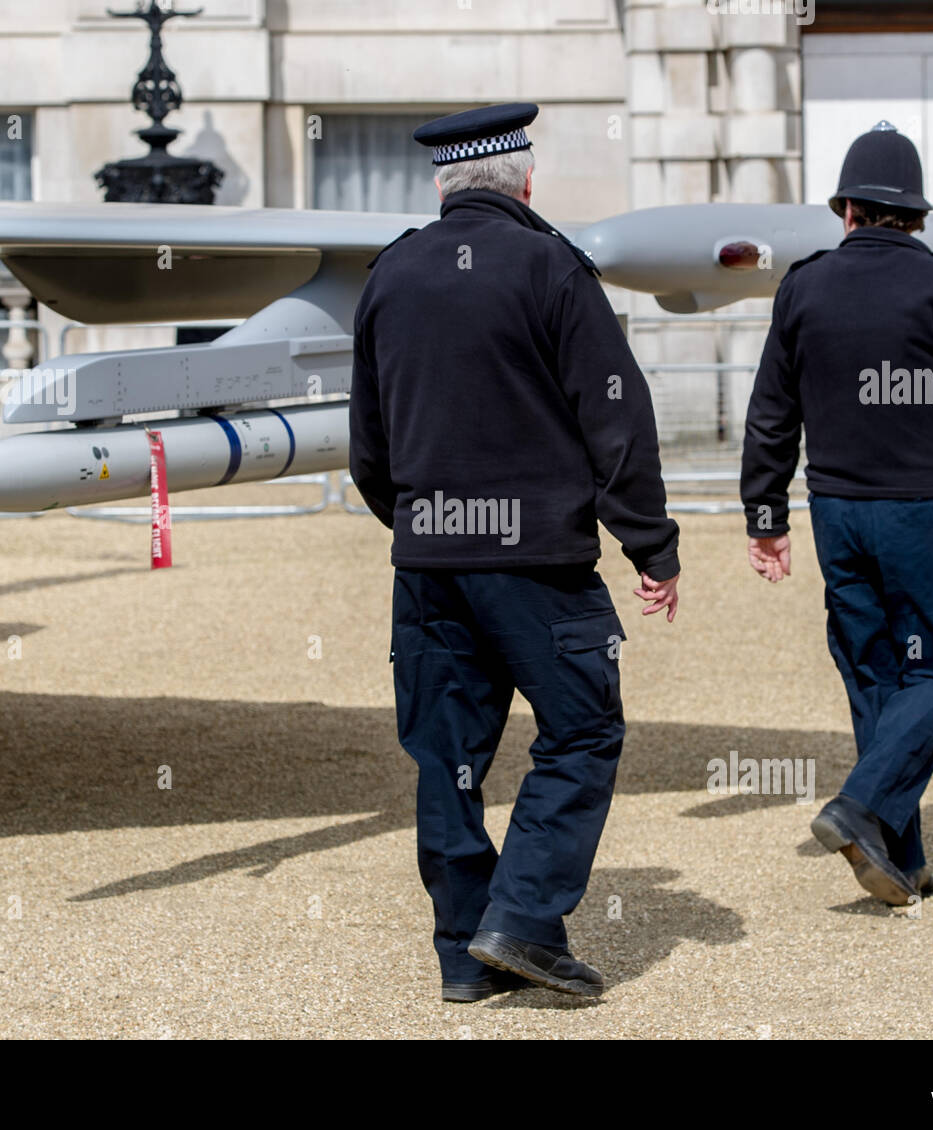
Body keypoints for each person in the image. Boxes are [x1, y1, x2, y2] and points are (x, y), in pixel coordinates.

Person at [349, 103, 680, 1000]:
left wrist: (418, 524)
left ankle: (464, 955)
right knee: (582, 730)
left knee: (447, 757)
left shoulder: (390, 275)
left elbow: (368, 447)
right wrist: (650, 544)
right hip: (538, 561)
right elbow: (617, 415)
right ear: (525, 180)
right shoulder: (553, 267)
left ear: (440, 182)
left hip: (426, 562)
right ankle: (523, 921)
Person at [740, 121, 933, 907]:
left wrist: (765, 517)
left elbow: (771, 414)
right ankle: (861, 808)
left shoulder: (803, 284)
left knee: (876, 677)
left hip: (834, 512)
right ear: (918, 215)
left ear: (848, 210)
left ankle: (900, 857)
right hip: (921, 514)